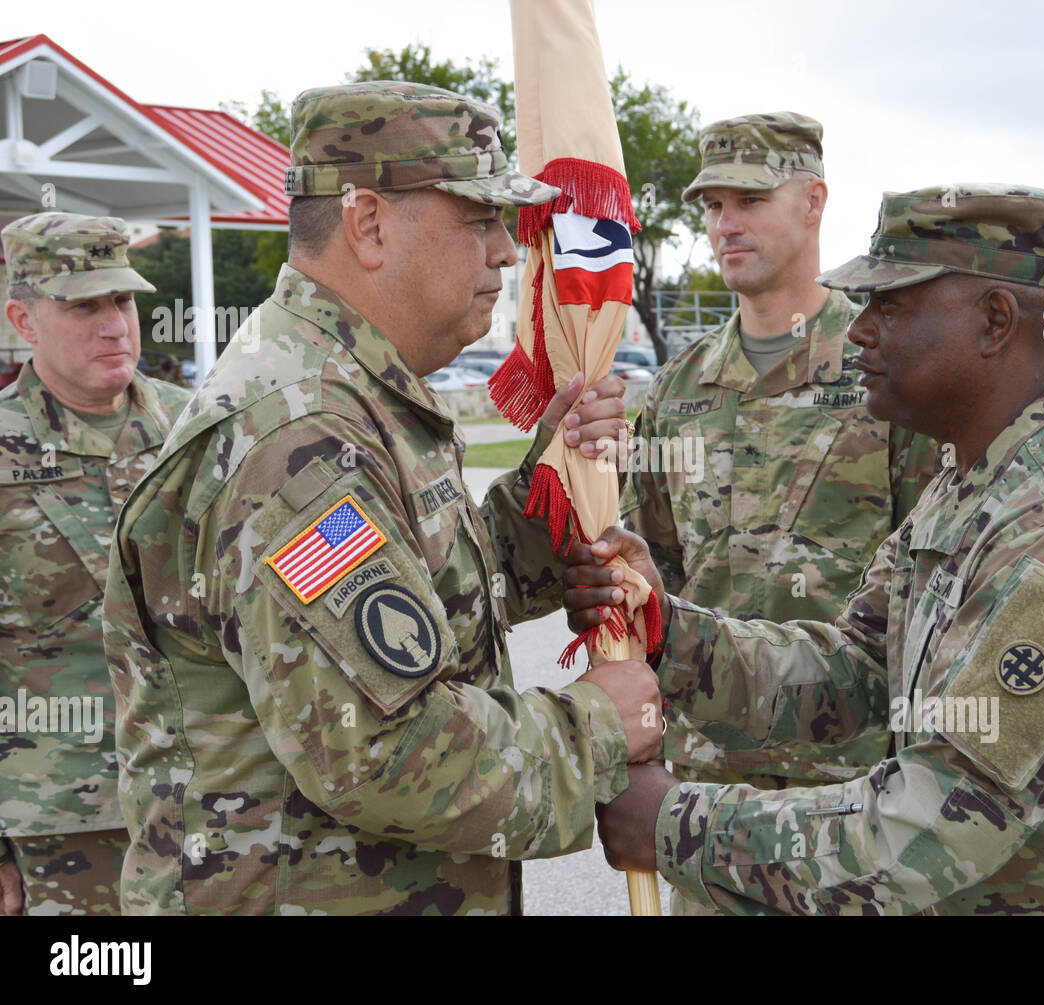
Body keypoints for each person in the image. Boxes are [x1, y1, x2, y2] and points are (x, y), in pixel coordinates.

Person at [565, 183, 1044, 915]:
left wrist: (674, 825)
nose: (858, 331)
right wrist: (671, 631)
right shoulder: (975, 482)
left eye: (892, 305)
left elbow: (931, 828)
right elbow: (853, 674)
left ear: (995, 322)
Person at [102, 81, 662, 916]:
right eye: (479, 219)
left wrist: (550, 511)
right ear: (367, 224)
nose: (508, 253)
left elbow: (416, 600)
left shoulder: (348, 390)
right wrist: (597, 724)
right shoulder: (296, 437)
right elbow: (388, 753)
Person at [621, 114, 937, 828]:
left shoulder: (887, 375)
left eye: (750, 201)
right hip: (705, 796)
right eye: (711, 205)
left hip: (851, 803)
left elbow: (936, 588)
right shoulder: (679, 389)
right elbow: (653, 581)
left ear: (814, 202)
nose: (725, 223)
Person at [0, 212, 192, 916]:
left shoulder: (198, 427)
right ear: (25, 319)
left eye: (123, 300)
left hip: (216, 804)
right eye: (84, 306)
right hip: (64, 825)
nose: (114, 324)